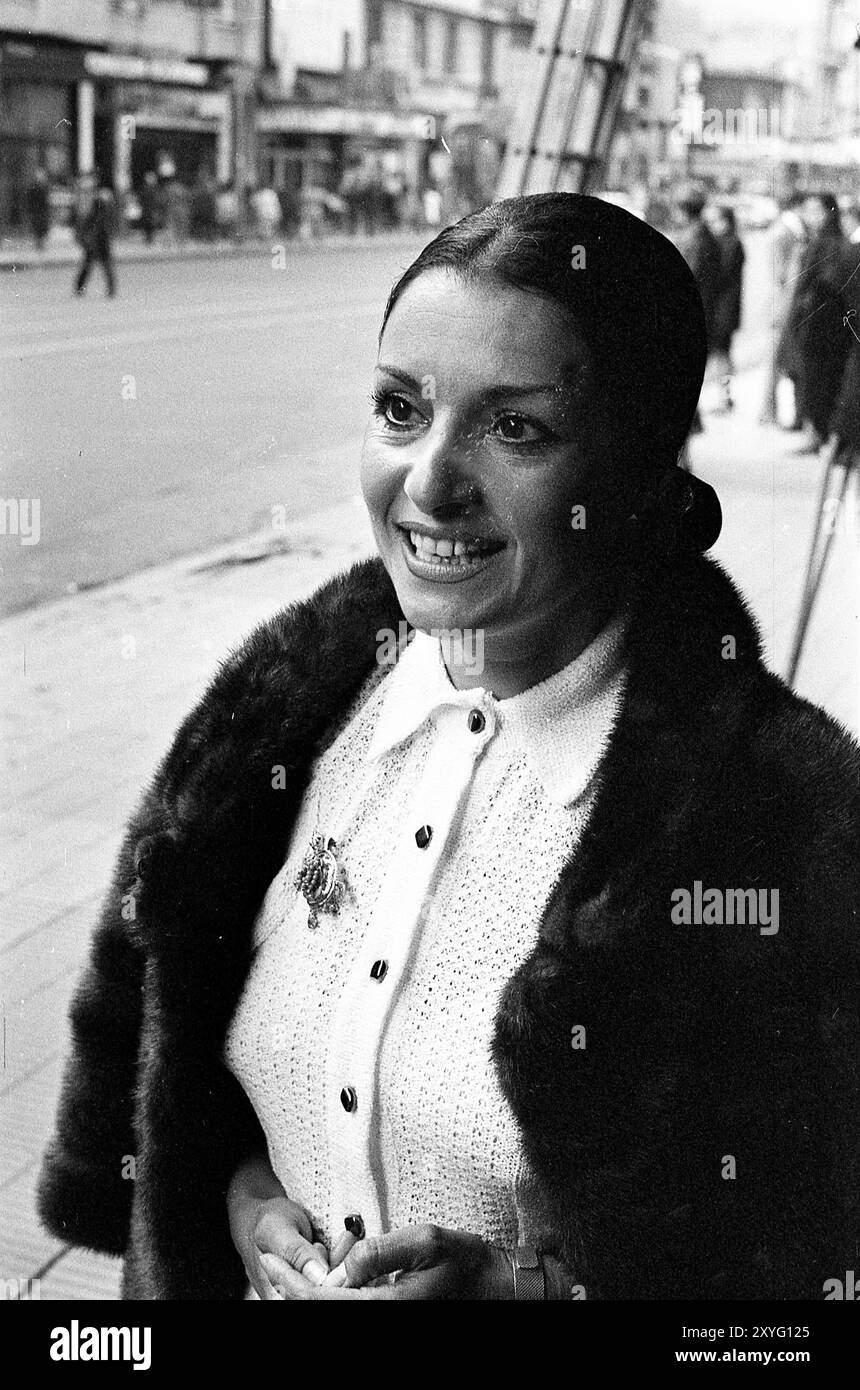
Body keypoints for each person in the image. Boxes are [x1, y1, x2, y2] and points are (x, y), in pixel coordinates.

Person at [37, 194, 859, 1300]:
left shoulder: (779, 821)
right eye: (399, 408)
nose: (428, 482)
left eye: (514, 429)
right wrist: (232, 1192)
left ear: (639, 471)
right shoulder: (277, 712)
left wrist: (525, 1291)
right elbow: (171, 1075)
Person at [782, 193, 849, 454]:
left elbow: (823, 284)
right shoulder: (820, 239)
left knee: (815, 379)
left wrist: (804, 309)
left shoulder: (829, 242)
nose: (811, 217)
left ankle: (814, 433)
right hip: (813, 322)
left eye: (816, 211)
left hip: (817, 324)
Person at [671, 183, 720, 458]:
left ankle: (681, 454)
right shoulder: (703, 237)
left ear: (682, 210)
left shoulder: (694, 240)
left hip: (685, 322)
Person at [759, 192, 809, 426]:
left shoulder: (790, 230)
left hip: (785, 306)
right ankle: (767, 411)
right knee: (776, 360)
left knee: (781, 360)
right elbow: (781, 275)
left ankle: (772, 411)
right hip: (782, 307)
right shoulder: (784, 233)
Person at [704, 203, 745, 412]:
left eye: (716, 220)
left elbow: (720, 275)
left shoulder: (730, 244)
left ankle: (724, 398)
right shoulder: (729, 242)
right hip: (725, 310)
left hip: (723, 311)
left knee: (721, 356)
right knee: (722, 355)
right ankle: (725, 396)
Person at [74, 182, 117, 297]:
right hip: (99, 240)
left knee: (91, 264)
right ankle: (111, 289)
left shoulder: (96, 207)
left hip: (96, 240)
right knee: (102, 265)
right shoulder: (102, 207)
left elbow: (92, 223)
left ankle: (80, 287)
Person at [26, 167, 51, 250]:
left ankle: (40, 243)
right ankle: (38, 243)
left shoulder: (43, 187)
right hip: (37, 210)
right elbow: (30, 199)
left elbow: (46, 199)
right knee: (38, 226)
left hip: (41, 210)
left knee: (41, 227)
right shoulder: (34, 187)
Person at [139, 171, 161, 246]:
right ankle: (148, 238)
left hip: (150, 209)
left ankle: (150, 238)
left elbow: (156, 199)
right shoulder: (146, 189)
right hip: (147, 209)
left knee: (151, 223)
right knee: (147, 223)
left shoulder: (154, 189)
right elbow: (142, 199)